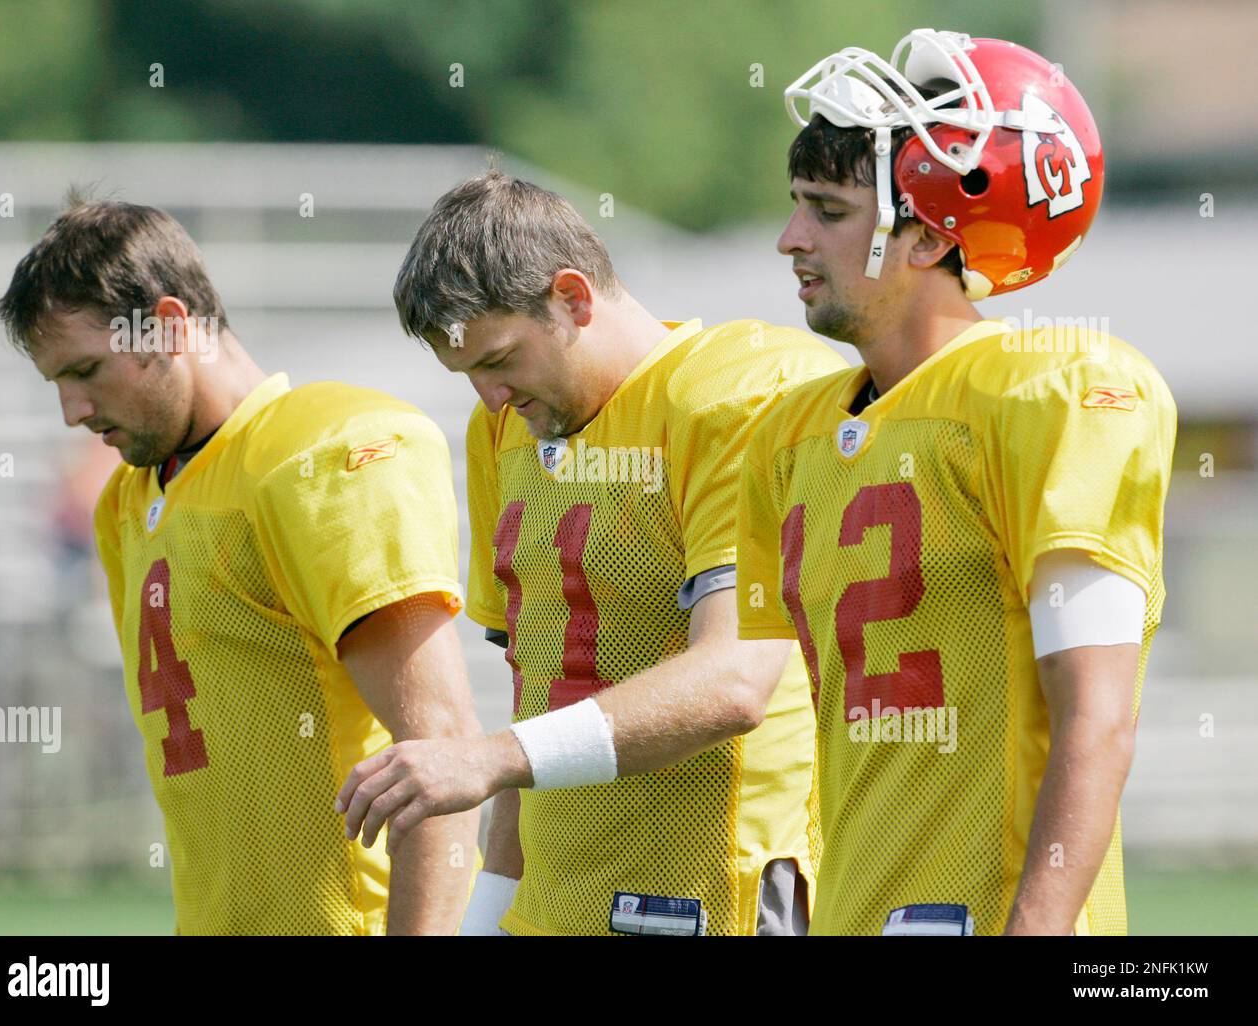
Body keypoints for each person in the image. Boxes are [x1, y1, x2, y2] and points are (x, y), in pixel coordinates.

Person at [735, 29, 1177, 935]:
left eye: (826, 208)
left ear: (931, 234)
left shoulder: (1052, 393)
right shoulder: (789, 432)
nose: (790, 239)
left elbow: (1097, 720)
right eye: (796, 205)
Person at [337, 171, 847, 935]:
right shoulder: (506, 430)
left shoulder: (735, 395)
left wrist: (486, 759)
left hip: (712, 901)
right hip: (554, 905)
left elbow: (735, 680)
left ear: (573, 297)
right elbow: (534, 693)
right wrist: (488, 914)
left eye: (500, 359)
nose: (491, 397)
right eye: (469, 373)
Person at [0, 194, 482, 934]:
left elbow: (442, 752)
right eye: (57, 381)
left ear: (166, 323)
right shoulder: (127, 502)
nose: (72, 411)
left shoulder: (316, 452)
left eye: (87, 370)